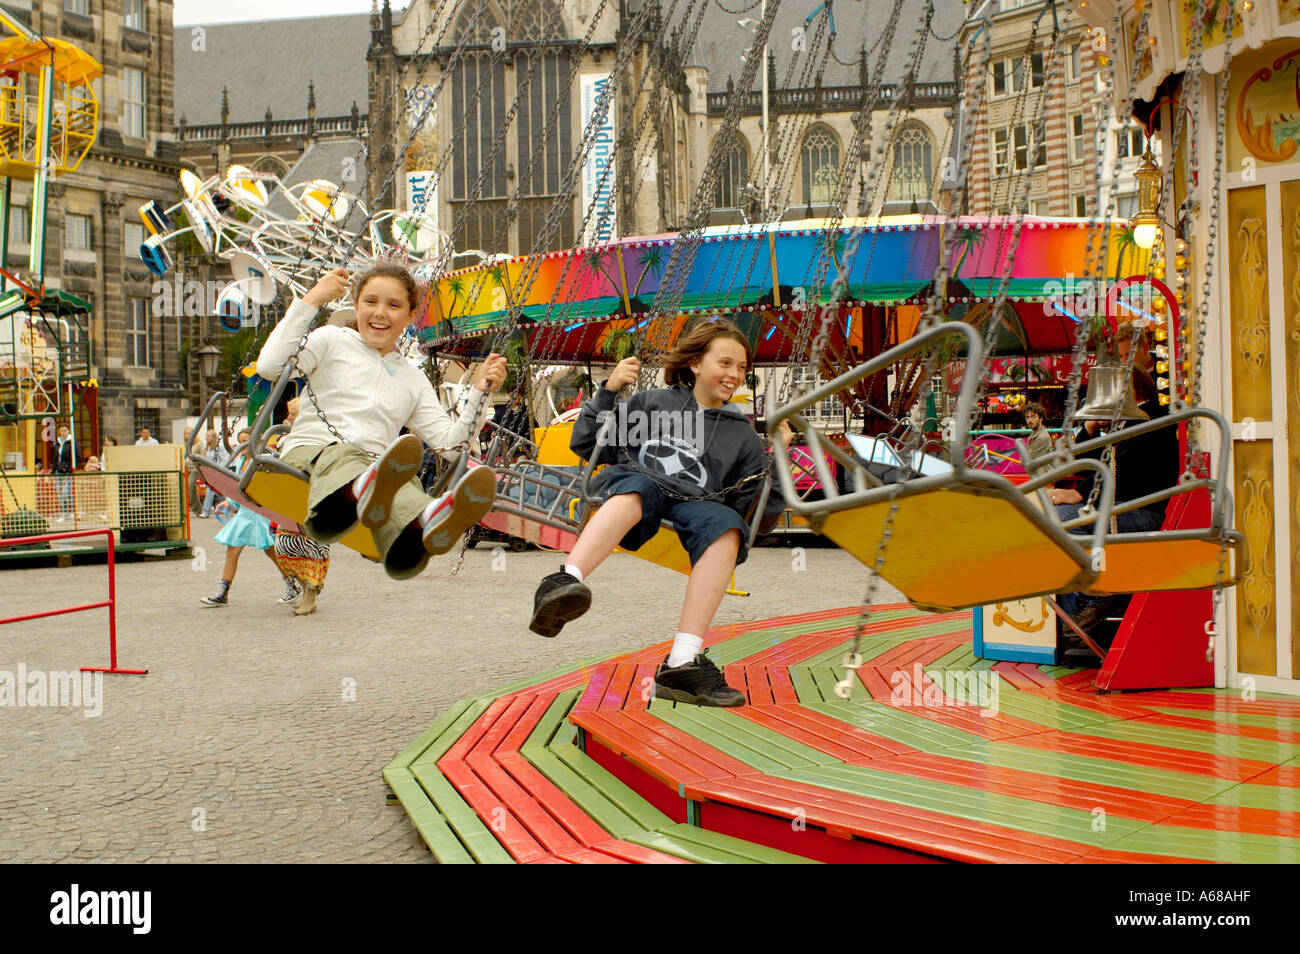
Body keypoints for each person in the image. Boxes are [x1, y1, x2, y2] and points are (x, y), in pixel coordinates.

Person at [529, 319, 786, 708]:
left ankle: (682, 661)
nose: (734, 375)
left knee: (727, 526)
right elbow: (586, 442)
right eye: (726, 363)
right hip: (638, 490)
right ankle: (563, 581)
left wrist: (779, 458)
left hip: (693, 507)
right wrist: (610, 389)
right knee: (639, 485)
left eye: (742, 368)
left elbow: (758, 517)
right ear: (696, 363)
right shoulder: (652, 404)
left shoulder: (743, 436)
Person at [255, 264, 507, 580]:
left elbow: (452, 446)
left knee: (404, 483)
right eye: (370, 302)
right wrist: (312, 299)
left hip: (374, 470)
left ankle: (426, 517)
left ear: (411, 314)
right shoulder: (331, 340)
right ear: (356, 304)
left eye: (394, 305)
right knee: (348, 457)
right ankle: (368, 487)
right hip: (310, 455)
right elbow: (269, 366)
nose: (380, 313)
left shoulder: (412, 378)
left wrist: (480, 393)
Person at [1050, 368, 1179, 642]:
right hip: (1123, 507)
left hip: (1142, 512)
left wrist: (1080, 495)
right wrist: (1090, 426)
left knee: (1064, 520)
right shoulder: (1123, 423)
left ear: (1132, 391)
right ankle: (1078, 616)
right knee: (1056, 518)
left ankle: (1090, 601)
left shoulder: (1153, 419)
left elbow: (1128, 471)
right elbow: (1084, 459)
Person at [200, 428, 300, 607]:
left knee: (271, 551)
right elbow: (240, 486)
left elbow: (272, 485)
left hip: (261, 512)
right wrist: (229, 502)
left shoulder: (263, 459)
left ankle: (292, 584)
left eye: (246, 440)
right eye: (241, 441)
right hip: (246, 513)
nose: (244, 445)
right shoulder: (241, 462)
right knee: (232, 550)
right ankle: (223, 592)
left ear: (255, 440)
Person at [271, 397, 331, 616]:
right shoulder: (289, 438)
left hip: (310, 498)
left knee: (311, 546)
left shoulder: (318, 438)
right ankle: (304, 587)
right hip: (292, 500)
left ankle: (311, 593)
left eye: (292, 414)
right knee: (285, 546)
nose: (288, 418)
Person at [53, 423, 74, 522]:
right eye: (61, 431)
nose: (63, 433)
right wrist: (52, 471)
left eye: (64, 430)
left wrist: (70, 467)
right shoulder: (57, 443)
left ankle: (73, 510)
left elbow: (77, 456)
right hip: (58, 471)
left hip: (68, 471)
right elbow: (55, 458)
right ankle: (64, 514)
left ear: (68, 431)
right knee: (60, 493)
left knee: (66, 492)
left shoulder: (72, 442)